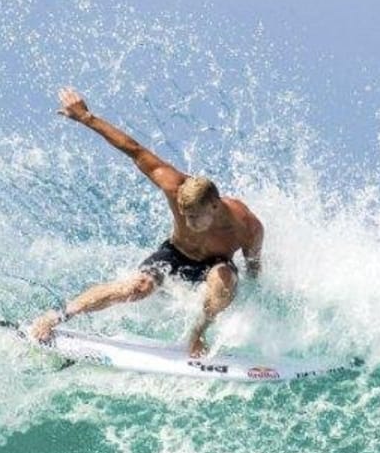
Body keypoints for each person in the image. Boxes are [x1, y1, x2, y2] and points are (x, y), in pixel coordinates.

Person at [29, 87, 264, 357]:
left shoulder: (247, 226)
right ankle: (57, 316)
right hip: (175, 255)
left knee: (223, 279)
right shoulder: (174, 186)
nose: (187, 221)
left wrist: (246, 300)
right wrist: (85, 117)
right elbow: (134, 150)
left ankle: (196, 336)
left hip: (215, 265)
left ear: (214, 205)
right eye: (183, 214)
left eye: (194, 217)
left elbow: (254, 268)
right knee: (136, 288)